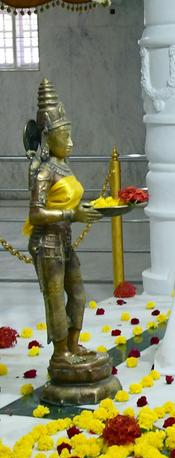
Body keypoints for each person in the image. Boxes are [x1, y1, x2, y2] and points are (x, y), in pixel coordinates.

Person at [24, 79, 103, 366]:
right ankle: (60, 353)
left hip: (64, 241)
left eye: (70, 135)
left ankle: (73, 344)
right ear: (48, 137)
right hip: (47, 243)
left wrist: (85, 209)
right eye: (64, 136)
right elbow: (36, 215)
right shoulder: (43, 172)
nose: (70, 142)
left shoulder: (62, 165)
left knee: (79, 295)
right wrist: (72, 215)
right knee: (56, 298)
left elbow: (66, 201)